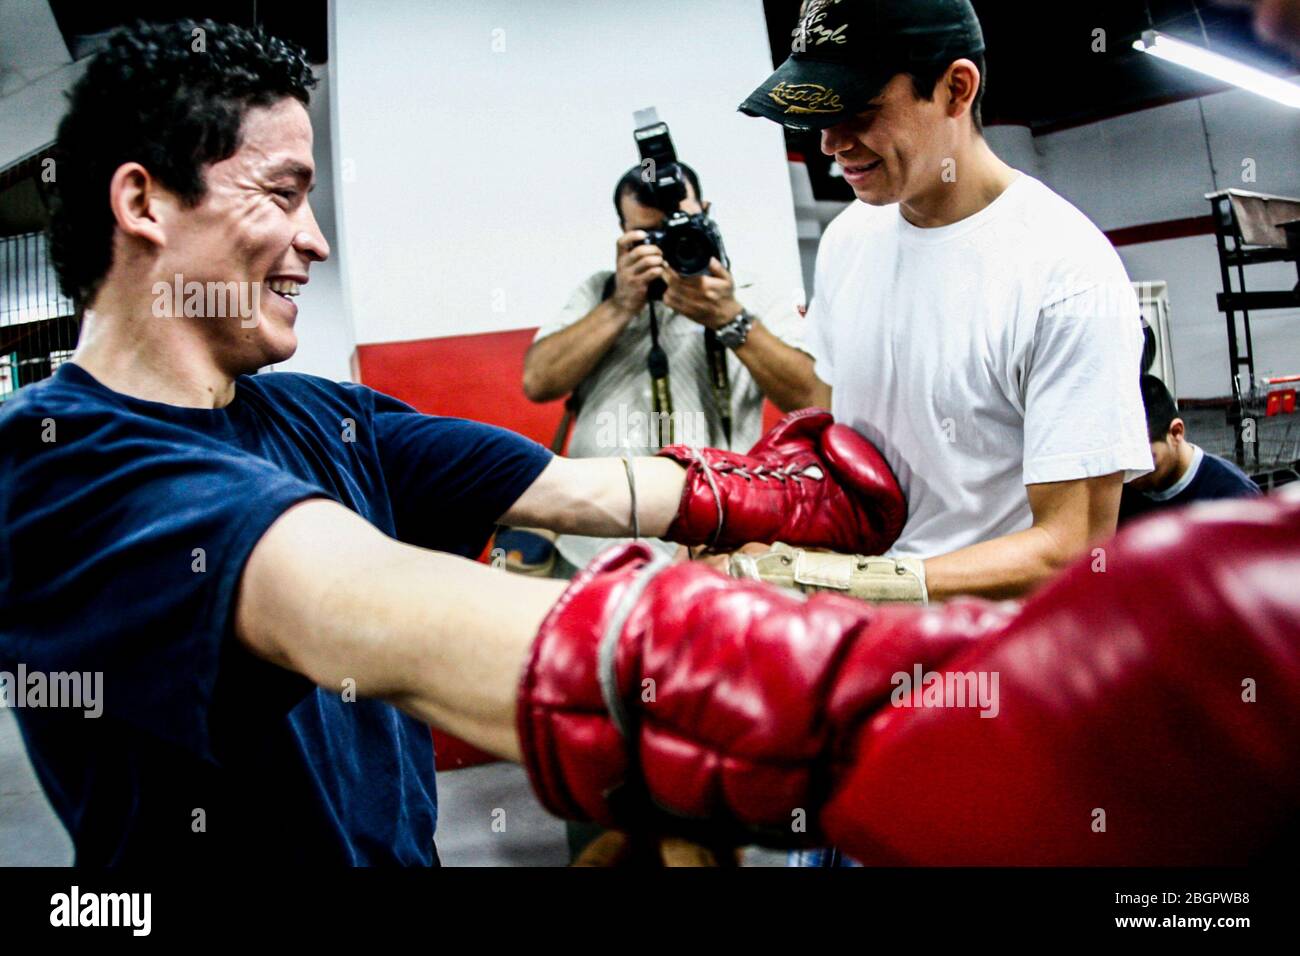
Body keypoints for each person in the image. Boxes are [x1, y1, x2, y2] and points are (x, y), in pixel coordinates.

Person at [0, 19, 905, 866]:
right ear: (143, 200)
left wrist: (767, 490)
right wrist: (847, 698)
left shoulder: (323, 415)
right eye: (283, 194)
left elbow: (571, 490)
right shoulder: (53, 469)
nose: (314, 242)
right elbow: (369, 606)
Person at [705, 0, 1154, 611]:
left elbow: (1069, 546)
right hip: (854, 633)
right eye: (819, 117)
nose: (831, 144)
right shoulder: (848, 239)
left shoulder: (1067, 275)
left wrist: (823, 577)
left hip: (990, 654)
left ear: (956, 89)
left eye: (859, 112)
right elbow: (840, 409)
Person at [521, 163, 813, 576]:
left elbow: (812, 400)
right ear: (624, 232)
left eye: (679, 227)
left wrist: (731, 319)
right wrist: (621, 306)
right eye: (650, 236)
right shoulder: (600, 291)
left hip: (714, 549)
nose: (669, 245)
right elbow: (537, 381)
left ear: (706, 212)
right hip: (592, 550)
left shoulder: (754, 296)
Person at [1119, 375, 1261, 524]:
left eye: (1140, 461)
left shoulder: (1233, 497)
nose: (1130, 476)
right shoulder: (1120, 493)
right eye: (1122, 463)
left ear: (1176, 432)